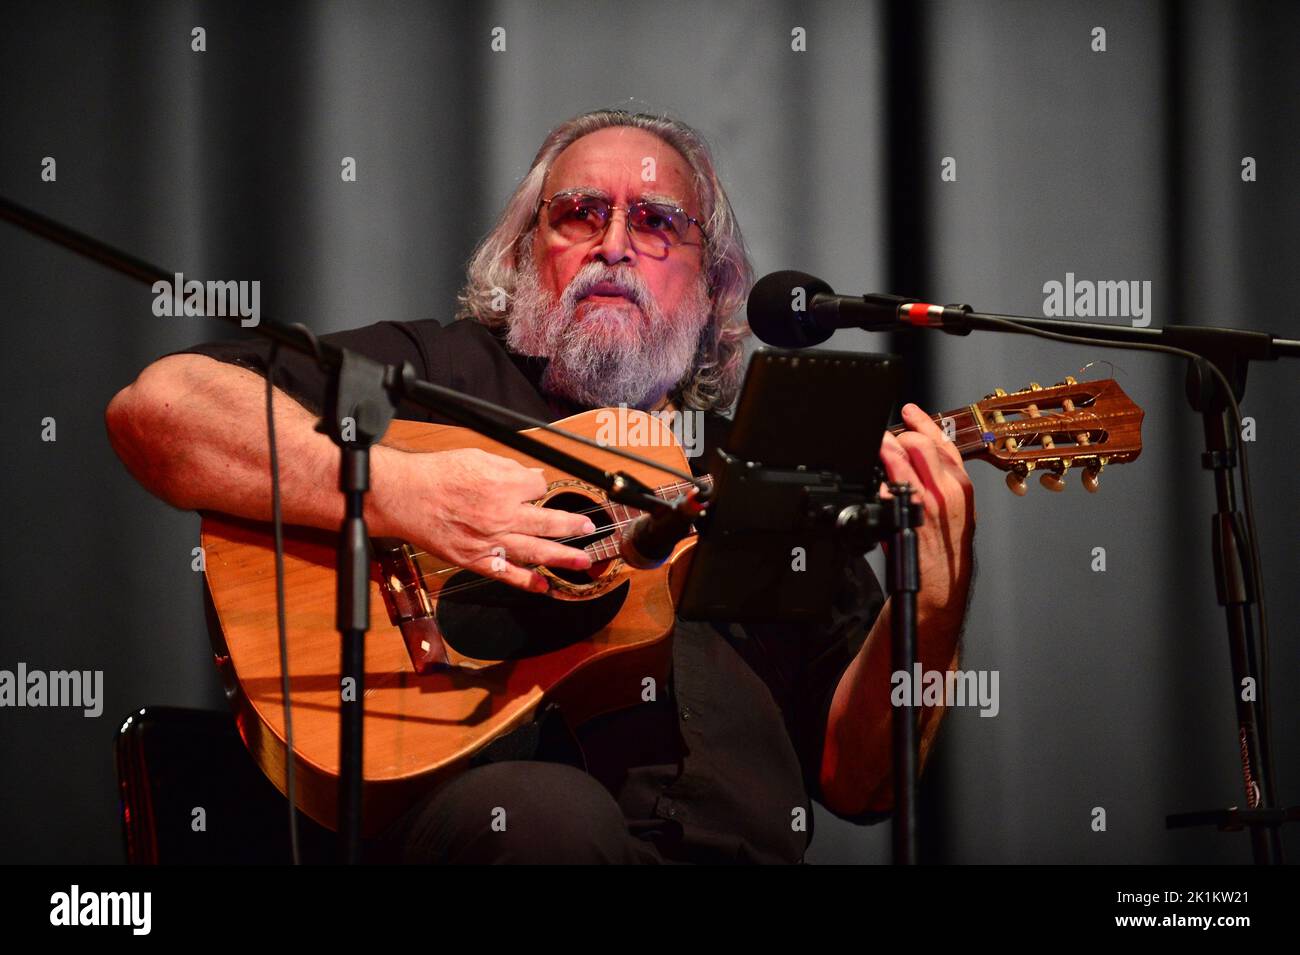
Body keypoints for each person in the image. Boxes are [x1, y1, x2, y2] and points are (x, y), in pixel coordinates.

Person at [105, 109, 975, 864]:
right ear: (524, 259)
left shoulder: (769, 473)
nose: (614, 244)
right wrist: (402, 493)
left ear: (715, 290)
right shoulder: (437, 371)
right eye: (579, 214)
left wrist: (930, 611)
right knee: (546, 819)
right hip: (498, 838)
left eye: (657, 221)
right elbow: (161, 408)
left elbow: (858, 782)